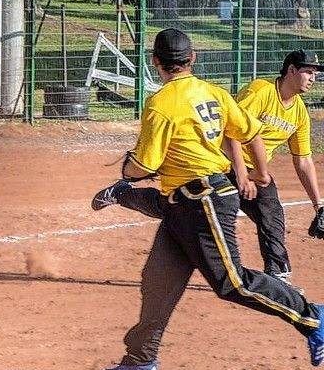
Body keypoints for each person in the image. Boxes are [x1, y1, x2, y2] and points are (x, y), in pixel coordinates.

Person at [98, 29, 324, 370]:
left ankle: (312, 317)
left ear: (155, 62)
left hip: (204, 201)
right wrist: (259, 173)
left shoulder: (160, 104)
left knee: (231, 282)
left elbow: (144, 165)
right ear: (192, 59)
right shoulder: (214, 92)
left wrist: (127, 168)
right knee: (158, 282)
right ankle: (140, 360)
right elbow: (250, 131)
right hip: (181, 203)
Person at [93, 49, 324, 284]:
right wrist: (241, 174)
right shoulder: (261, 92)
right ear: (291, 70)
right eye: (308, 72)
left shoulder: (299, 113)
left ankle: (277, 274)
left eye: (315, 73)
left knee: (271, 211)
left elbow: (303, 160)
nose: (313, 78)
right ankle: (121, 193)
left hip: (252, 171)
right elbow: (230, 129)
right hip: (217, 160)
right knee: (174, 206)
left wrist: (318, 205)